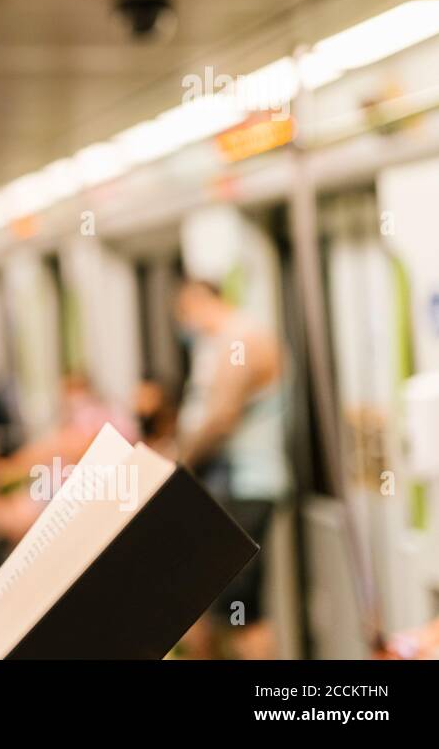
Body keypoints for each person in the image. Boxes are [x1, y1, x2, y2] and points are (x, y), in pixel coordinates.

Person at [174, 277, 289, 660]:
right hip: (224, 484)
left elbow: (221, 416)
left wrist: (180, 461)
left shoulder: (245, 339)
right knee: (213, 603)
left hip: (245, 484)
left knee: (242, 606)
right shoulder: (217, 346)